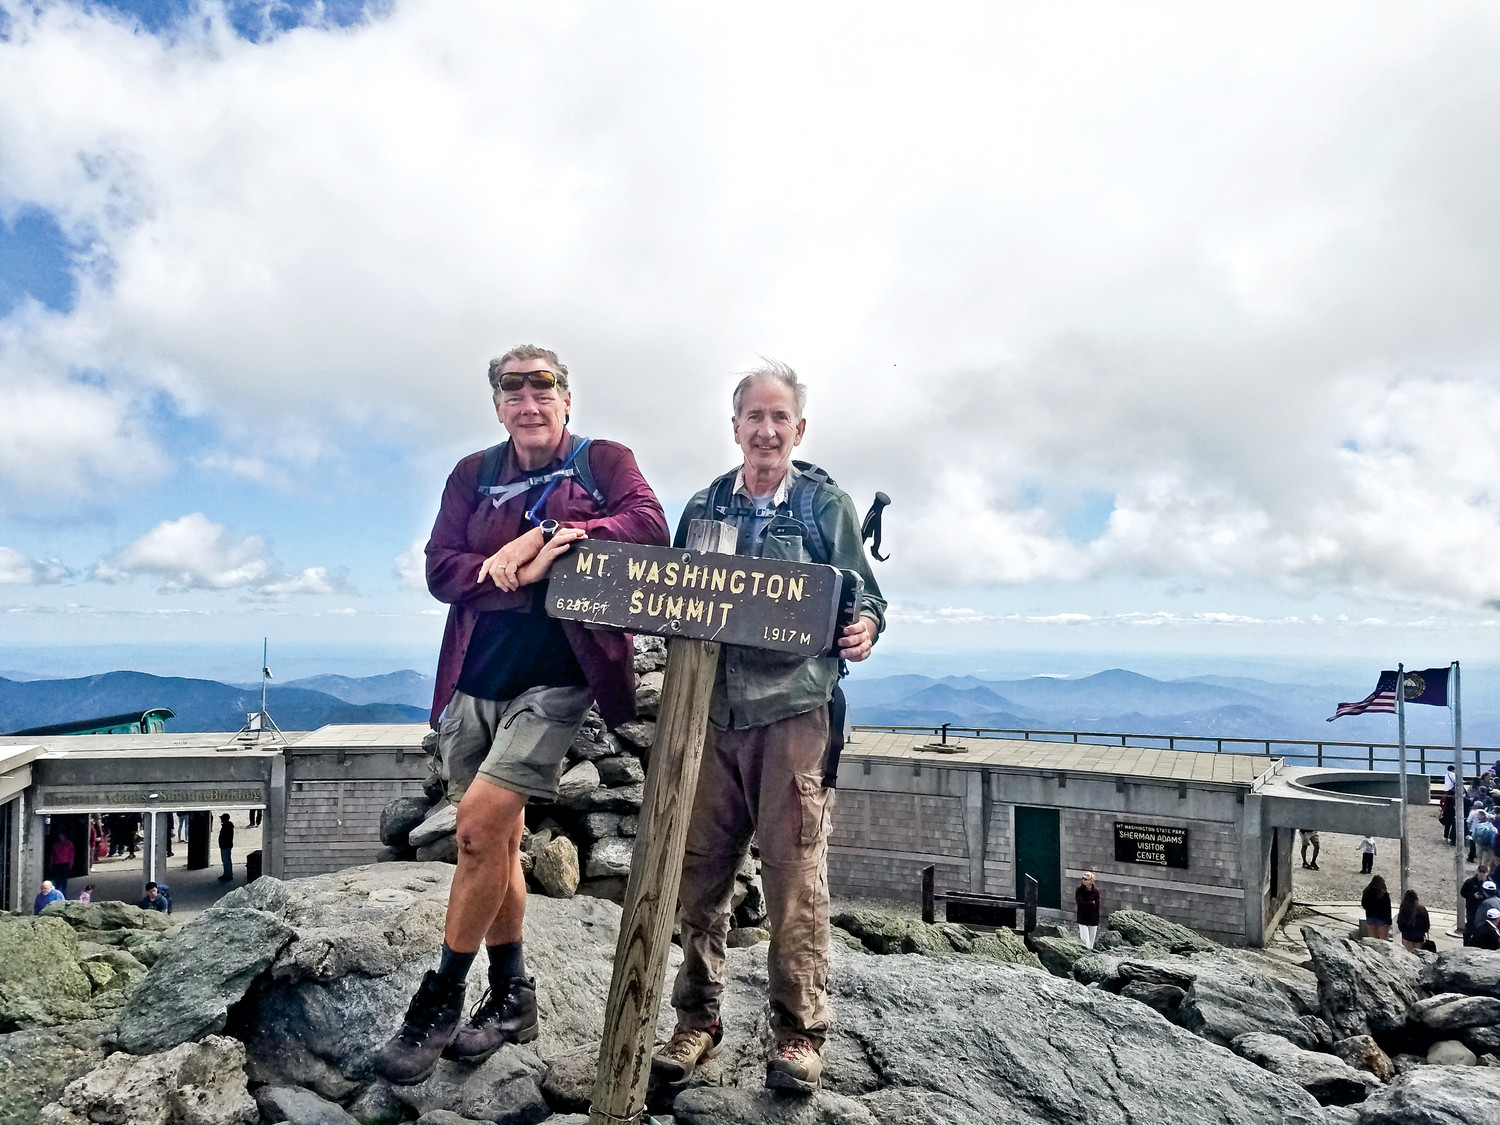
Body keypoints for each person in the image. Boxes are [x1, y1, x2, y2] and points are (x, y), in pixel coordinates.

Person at [373, 345, 668, 1085]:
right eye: (515, 390)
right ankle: (513, 997)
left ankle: (438, 1000)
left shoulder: (603, 459)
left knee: (475, 827)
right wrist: (503, 567)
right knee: (497, 841)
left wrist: (558, 540)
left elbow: (648, 522)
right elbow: (443, 567)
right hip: (476, 678)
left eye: (544, 388)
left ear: (567, 399)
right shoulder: (473, 474)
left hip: (558, 679)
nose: (530, 402)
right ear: (498, 404)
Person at [653, 361, 886, 1096]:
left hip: (793, 713)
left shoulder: (824, 504)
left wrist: (865, 627)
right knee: (698, 874)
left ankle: (798, 1033)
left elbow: (866, 595)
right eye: (754, 416)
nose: (766, 429)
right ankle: (697, 1017)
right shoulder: (702, 505)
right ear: (734, 426)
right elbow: (673, 596)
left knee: (794, 880)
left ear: (799, 427)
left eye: (780, 417)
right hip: (711, 715)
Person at [1461, 864, 1491, 945]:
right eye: (1480, 872)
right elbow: (1463, 893)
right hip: (1472, 909)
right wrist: (1473, 895)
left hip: (1484, 909)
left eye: (1483, 872)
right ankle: (1466, 944)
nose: (1482, 874)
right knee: (1470, 927)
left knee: (1481, 928)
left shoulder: (1490, 883)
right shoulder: (1470, 882)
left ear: (1487, 873)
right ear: (1477, 872)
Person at [1075, 873, 1102, 948]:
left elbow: (1096, 906)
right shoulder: (1079, 890)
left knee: (1091, 941)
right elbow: (1080, 903)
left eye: (1085, 879)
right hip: (1082, 917)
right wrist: (1090, 903)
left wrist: (1086, 903)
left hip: (1093, 917)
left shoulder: (1096, 891)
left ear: (1091, 881)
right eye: (1082, 878)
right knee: (1085, 940)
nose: (1083, 880)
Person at [1361, 875, 1392, 940]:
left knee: (1372, 940)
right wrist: (1389, 922)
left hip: (1370, 918)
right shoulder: (1384, 894)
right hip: (1382, 920)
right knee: (1383, 941)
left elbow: (1363, 904)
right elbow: (1387, 909)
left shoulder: (1367, 892)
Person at [217, 813, 235, 881]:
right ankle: (227, 873)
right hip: (226, 845)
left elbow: (225, 837)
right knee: (226, 860)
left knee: (226, 860)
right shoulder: (228, 826)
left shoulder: (226, 827)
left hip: (225, 846)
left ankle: (228, 874)